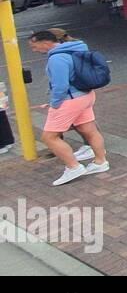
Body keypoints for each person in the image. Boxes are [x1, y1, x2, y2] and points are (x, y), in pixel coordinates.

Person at [28, 30, 109, 186]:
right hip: (85, 95)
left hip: (69, 100)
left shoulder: (57, 58)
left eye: (34, 46)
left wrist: (54, 103)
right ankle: (100, 161)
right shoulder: (76, 49)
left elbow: (60, 85)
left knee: (49, 137)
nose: (34, 49)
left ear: (45, 42)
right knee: (90, 130)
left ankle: (73, 167)